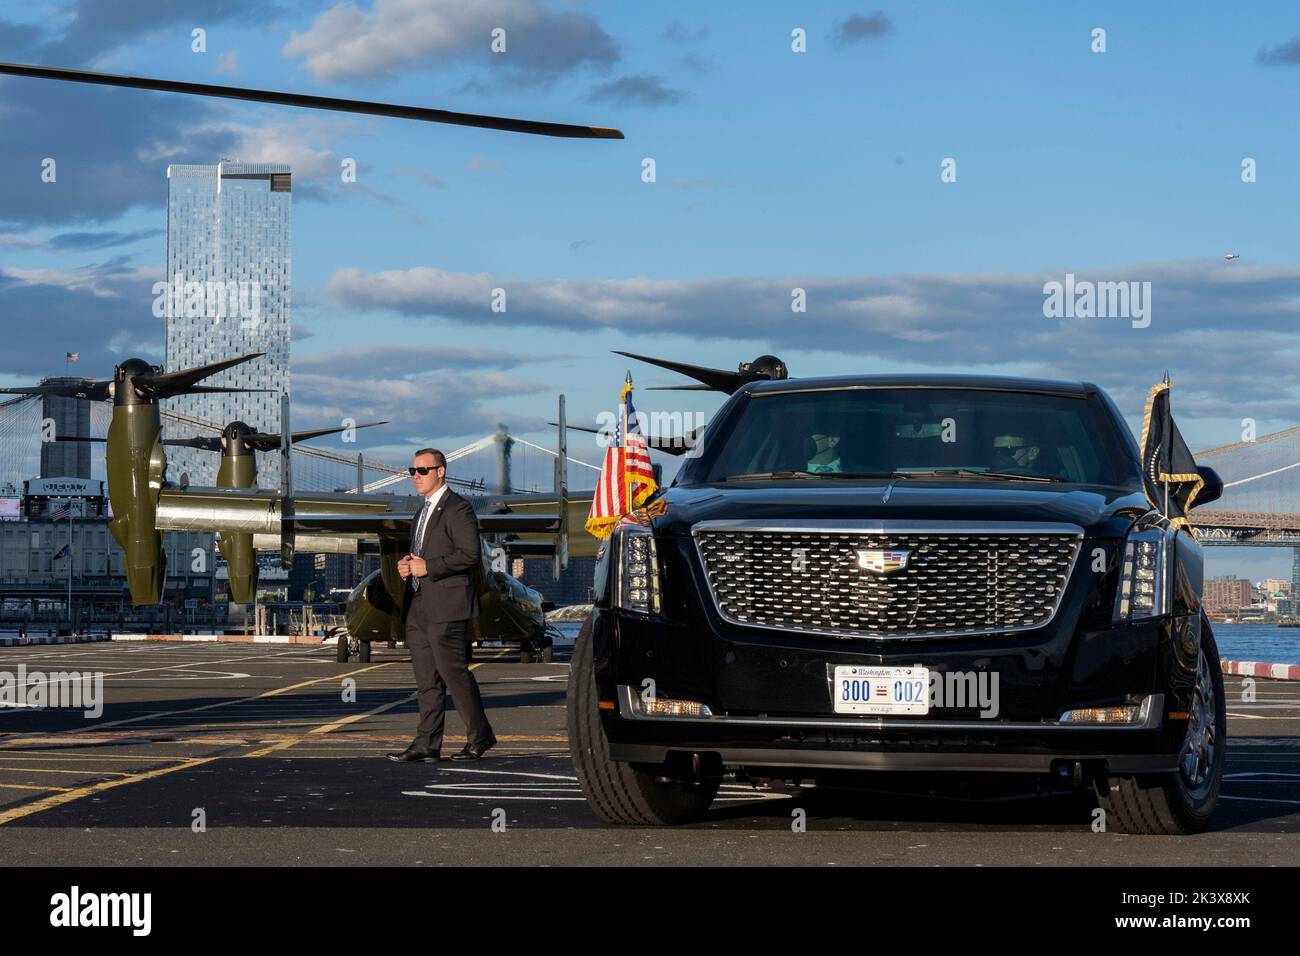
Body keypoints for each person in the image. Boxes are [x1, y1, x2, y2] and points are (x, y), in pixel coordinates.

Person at [388, 448, 497, 764]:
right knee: (426, 680)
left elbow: (469, 554)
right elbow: (423, 554)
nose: (416, 476)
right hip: (419, 604)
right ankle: (427, 744)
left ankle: (481, 736)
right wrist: (409, 565)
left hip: (447, 606)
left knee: (453, 674)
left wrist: (428, 567)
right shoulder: (421, 512)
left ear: (441, 472)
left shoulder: (457, 508)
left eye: (423, 470)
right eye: (412, 470)